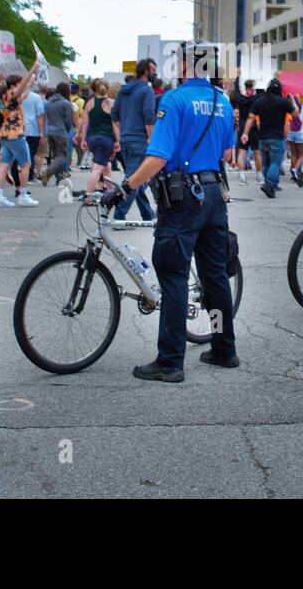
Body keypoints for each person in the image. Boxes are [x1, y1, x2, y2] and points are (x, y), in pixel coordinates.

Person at [101, 41, 237, 382]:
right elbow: (228, 154)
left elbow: (158, 156)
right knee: (215, 277)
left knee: (173, 275)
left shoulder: (174, 100)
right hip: (214, 195)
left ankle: (170, 360)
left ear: (187, 65)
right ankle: (224, 348)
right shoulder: (222, 100)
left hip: (183, 198)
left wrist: (126, 187)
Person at [111, 59, 158, 225]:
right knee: (134, 178)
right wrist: (152, 138)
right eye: (153, 69)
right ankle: (118, 215)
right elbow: (149, 116)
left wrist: (124, 129)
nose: (155, 72)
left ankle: (146, 213)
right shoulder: (146, 90)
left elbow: (114, 114)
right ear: (145, 70)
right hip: (139, 138)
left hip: (125, 138)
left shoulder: (124, 90)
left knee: (137, 176)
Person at [0, 59, 42, 208]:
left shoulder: (4, 98)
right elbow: (23, 87)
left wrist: (33, 77)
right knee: (26, 164)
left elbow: (25, 91)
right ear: (13, 86)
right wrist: (33, 68)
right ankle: (23, 195)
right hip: (16, 135)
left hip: (5, 134)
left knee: (4, 165)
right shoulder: (12, 96)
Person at [243, 78, 293, 199]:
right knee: (276, 162)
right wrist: (291, 100)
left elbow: (250, 118)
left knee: (267, 163)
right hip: (277, 138)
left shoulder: (259, 102)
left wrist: (245, 133)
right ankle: (269, 183)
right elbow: (295, 113)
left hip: (263, 138)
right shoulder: (283, 102)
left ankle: (271, 186)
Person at [77, 79, 117, 199]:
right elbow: (115, 125)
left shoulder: (89, 103)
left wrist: (83, 140)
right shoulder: (112, 103)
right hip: (106, 138)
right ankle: (89, 195)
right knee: (97, 168)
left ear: (93, 89)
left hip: (92, 138)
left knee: (106, 165)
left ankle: (113, 192)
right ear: (107, 88)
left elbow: (85, 123)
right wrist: (118, 140)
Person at [43, 82, 76, 186]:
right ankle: (48, 173)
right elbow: (69, 120)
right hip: (61, 132)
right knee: (62, 155)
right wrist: (66, 130)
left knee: (56, 156)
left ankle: (59, 177)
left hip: (50, 131)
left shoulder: (48, 102)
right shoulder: (66, 103)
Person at [233, 80, 260, 184]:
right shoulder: (256, 99)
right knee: (257, 153)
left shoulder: (240, 99)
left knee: (241, 153)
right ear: (253, 87)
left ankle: (242, 177)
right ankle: (259, 176)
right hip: (253, 128)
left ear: (245, 87)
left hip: (242, 128)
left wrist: (237, 80)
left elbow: (235, 92)